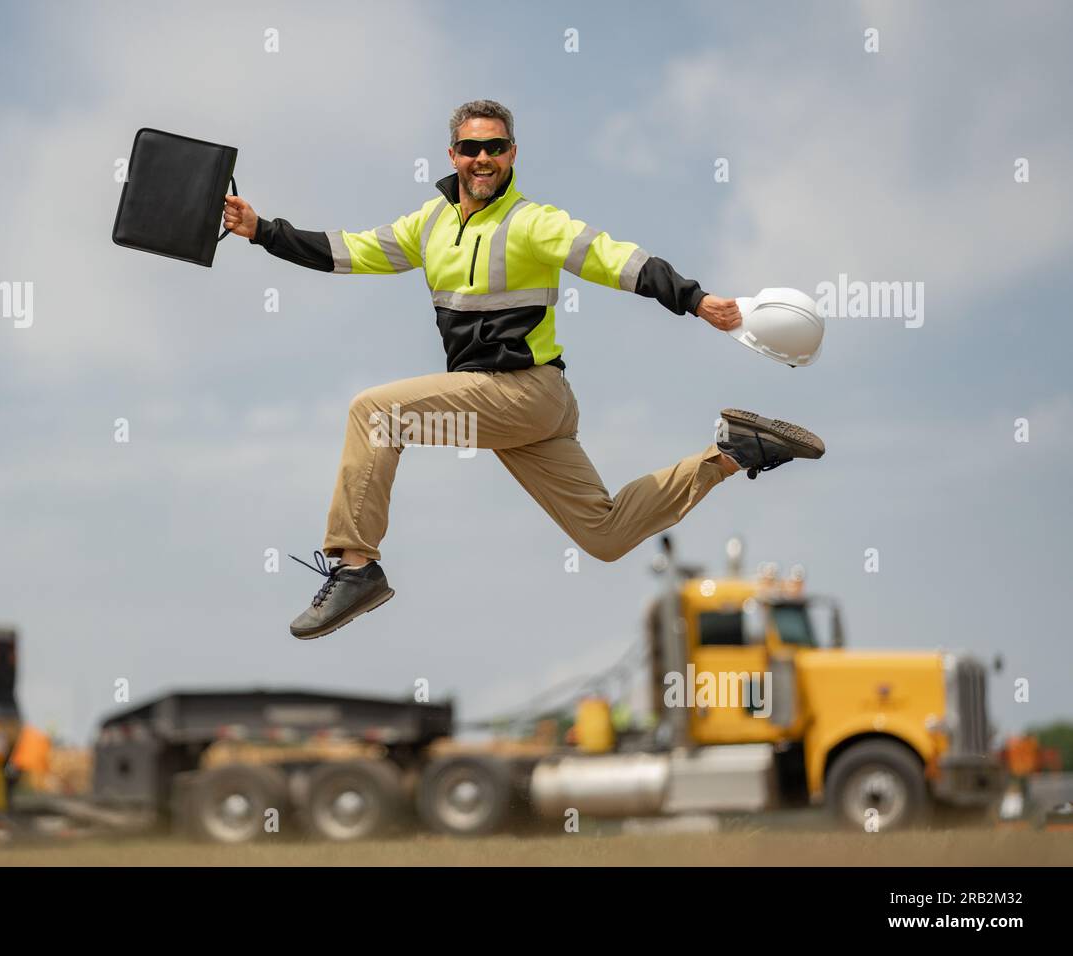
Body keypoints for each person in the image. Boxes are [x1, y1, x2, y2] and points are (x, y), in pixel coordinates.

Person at [222, 100, 824, 640]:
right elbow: (346, 251)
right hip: (518, 415)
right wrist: (260, 230)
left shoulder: (533, 223)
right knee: (607, 536)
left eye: (495, 147)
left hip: (523, 393)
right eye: (471, 148)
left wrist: (695, 300)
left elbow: (616, 259)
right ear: (452, 154)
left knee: (376, 413)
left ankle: (355, 566)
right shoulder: (427, 225)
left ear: (512, 154)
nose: (482, 158)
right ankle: (733, 452)